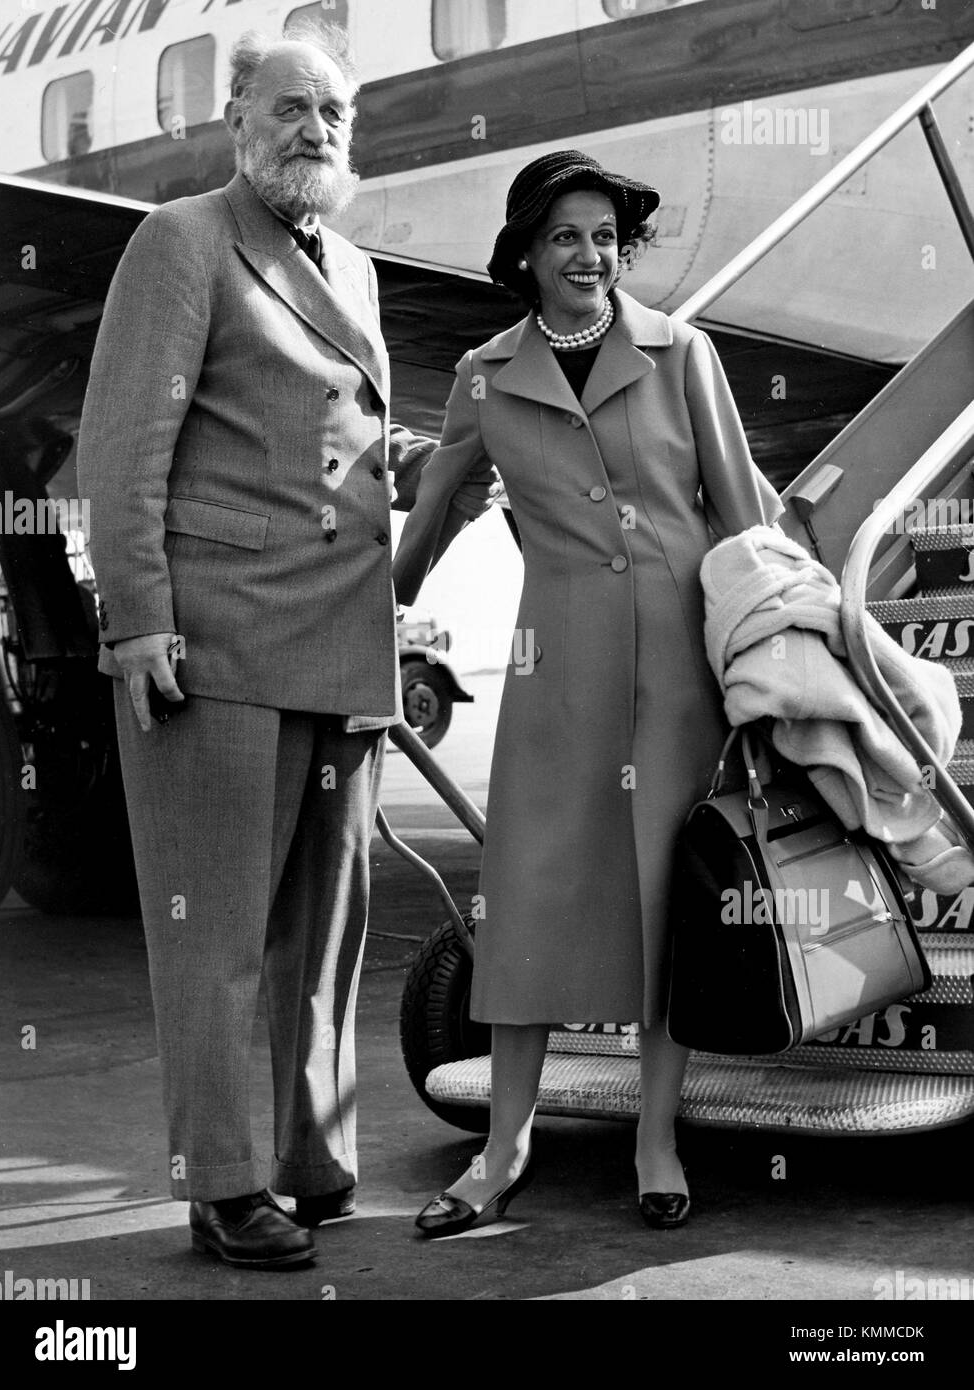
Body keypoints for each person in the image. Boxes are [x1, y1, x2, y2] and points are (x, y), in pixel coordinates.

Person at [77, 19, 489, 1270]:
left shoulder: (351, 269)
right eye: (293, 108)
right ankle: (222, 1183)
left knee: (325, 937)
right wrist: (140, 615)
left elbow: (343, 441)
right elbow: (122, 449)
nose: (317, 131)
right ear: (238, 120)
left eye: (336, 116)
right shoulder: (182, 243)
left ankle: (312, 1165)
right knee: (215, 942)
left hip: (339, 649)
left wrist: (454, 458)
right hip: (220, 646)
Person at [392, 150, 784, 1236]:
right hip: (549, 666)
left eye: (605, 236)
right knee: (524, 896)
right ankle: (503, 1143)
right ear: (525, 251)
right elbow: (434, 511)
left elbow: (742, 517)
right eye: (564, 235)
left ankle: (656, 1135)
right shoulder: (483, 373)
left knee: (664, 902)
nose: (589, 255)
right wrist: (368, 616)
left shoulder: (681, 350)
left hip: (674, 668)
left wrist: (774, 652)